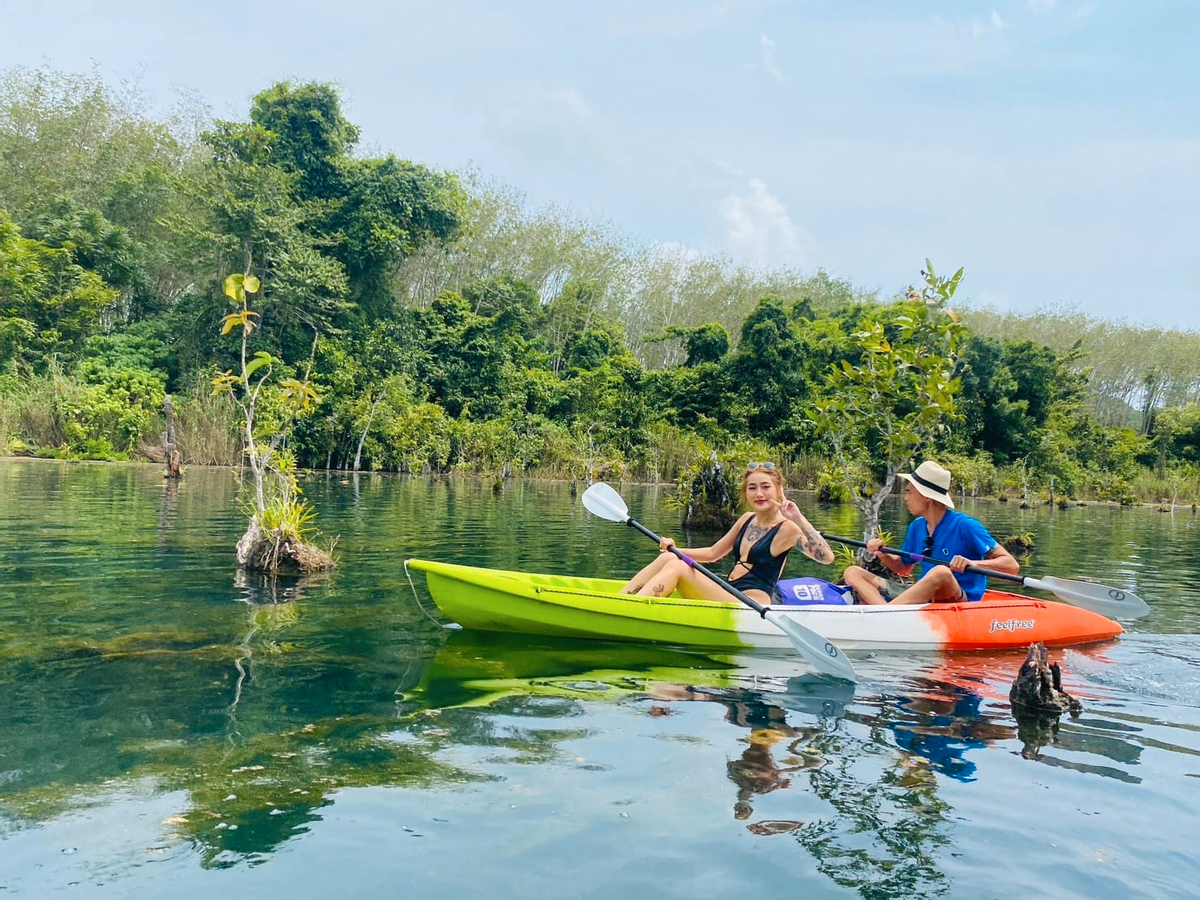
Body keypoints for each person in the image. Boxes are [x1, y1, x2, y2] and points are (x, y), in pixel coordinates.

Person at [620, 462, 834, 605]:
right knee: (670, 557)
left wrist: (798, 517)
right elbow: (714, 553)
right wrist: (674, 548)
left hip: (750, 603)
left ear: (779, 490)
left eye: (765, 487)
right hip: (729, 589)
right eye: (752, 488)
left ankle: (633, 609)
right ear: (746, 492)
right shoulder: (746, 519)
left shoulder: (787, 528)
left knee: (677, 566)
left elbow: (826, 558)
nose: (759, 493)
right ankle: (623, 600)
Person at [843, 460, 1018, 605]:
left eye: (909, 492)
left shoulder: (966, 526)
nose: (905, 498)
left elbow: (1011, 566)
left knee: (941, 572)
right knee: (852, 572)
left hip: (959, 600)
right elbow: (903, 568)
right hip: (923, 594)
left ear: (926, 496)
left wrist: (972, 563)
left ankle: (887, 615)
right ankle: (884, 612)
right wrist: (882, 553)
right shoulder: (917, 526)